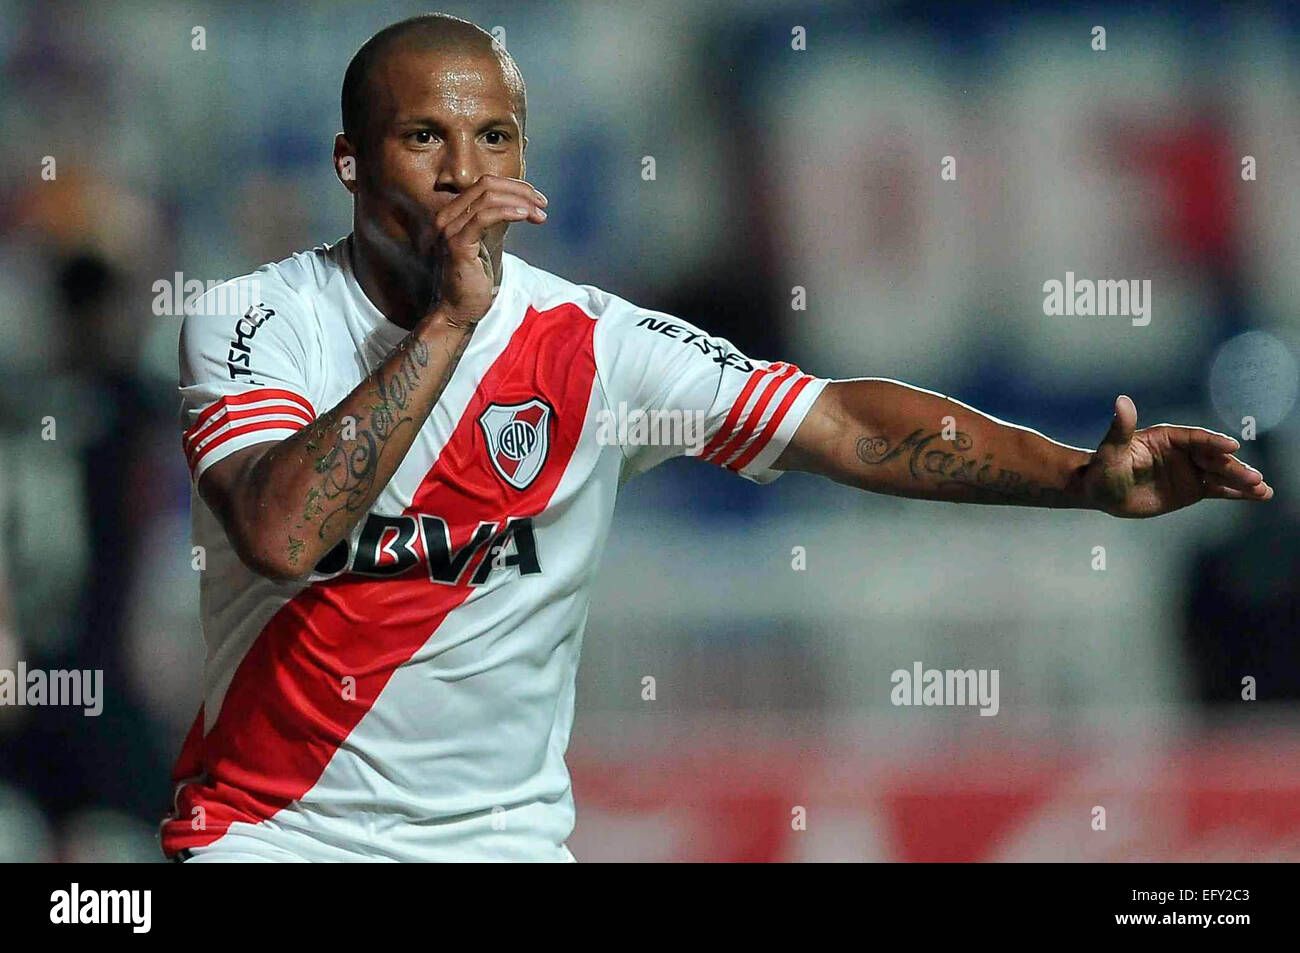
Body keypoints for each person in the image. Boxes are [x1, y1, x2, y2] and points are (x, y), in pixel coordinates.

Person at [161, 13, 1272, 862]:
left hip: (496, 842)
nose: (465, 173)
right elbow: (282, 529)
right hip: (272, 836)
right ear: (351, 161)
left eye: (493, 137)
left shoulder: (590, 344)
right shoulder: (256, 319)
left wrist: (1075, 476)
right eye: (423, 138)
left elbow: (838, 420)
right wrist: (452, 323)